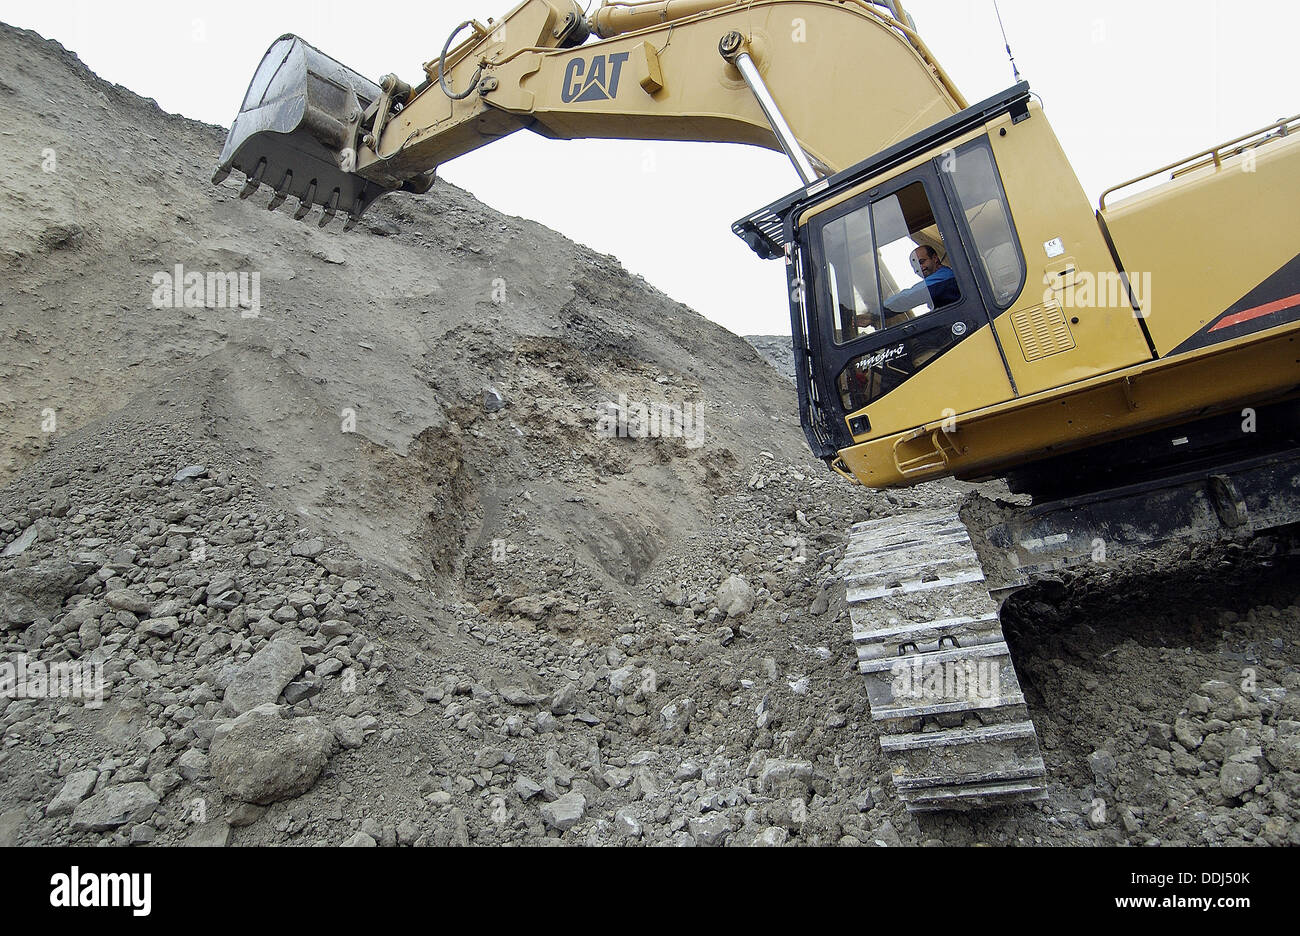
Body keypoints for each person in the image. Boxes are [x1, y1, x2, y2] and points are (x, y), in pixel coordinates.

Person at [883, 245, 960, 314]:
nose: (919, 268)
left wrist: (877, 311)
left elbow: (909, 296)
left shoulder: (945, 277)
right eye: (915, 266)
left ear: (935, 258)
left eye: (921, 262)